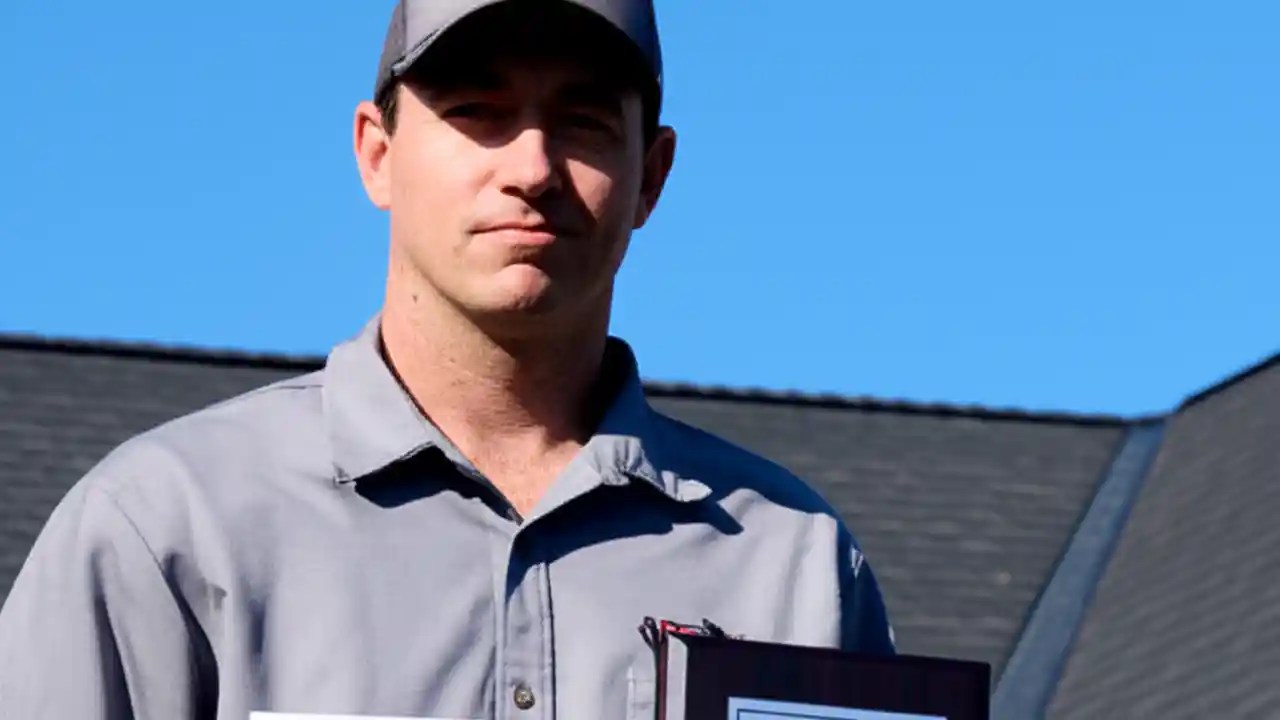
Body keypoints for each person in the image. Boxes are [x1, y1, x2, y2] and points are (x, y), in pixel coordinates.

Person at [0, 1, 895, 718]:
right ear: (377, 154)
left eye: (582, 121)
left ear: (651, 177)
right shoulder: (171, 527)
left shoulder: (796, 570)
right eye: (478, 113)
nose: (532, 168)